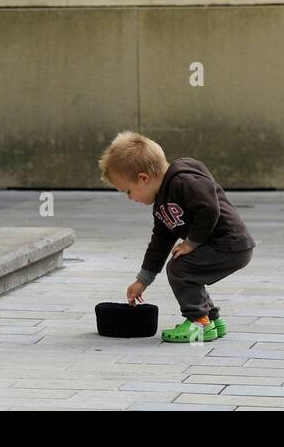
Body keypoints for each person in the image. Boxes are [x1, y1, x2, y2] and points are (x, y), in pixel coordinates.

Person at [99, 131, 256, 343]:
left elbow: (209, 208)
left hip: (229, 243)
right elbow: (159, 243)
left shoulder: (183, 181)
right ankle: (211, 319)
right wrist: (142, 280)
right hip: (221, 245)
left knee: (180, 268)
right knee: (186, 268)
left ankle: (198, 323)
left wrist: (191, 242)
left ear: (143, 178)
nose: (130, 198)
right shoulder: (162, 204)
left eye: (128, 191)